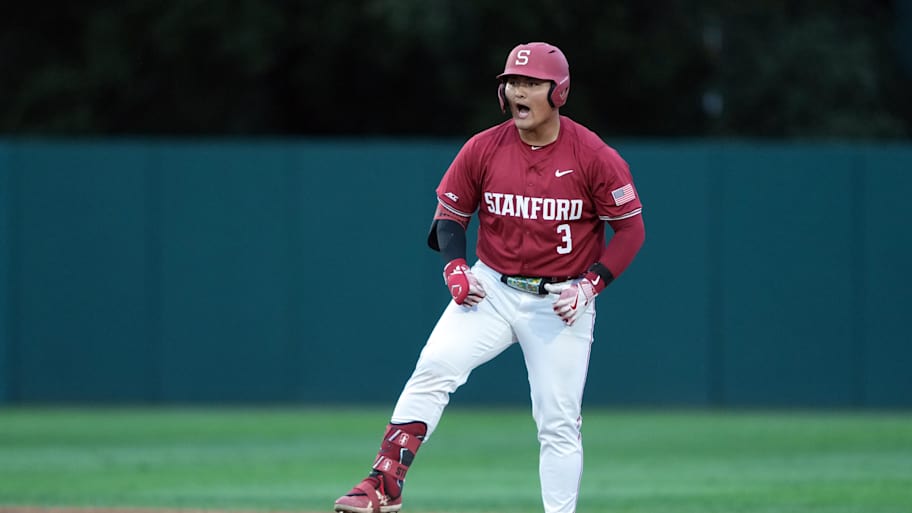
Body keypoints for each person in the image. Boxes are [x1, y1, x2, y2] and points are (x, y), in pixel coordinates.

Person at [333, 41, 645, 513]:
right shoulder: (483, 147)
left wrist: (591, 285)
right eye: (511, 83)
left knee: (558, 422)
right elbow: (450, 216)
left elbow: (630, 230)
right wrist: (455, 266)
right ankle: (384, 483)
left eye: (530, 84)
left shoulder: (593, 155)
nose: (518, 91)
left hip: (561, 299)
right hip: (493, 288)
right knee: (434, 366)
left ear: (558, 92)